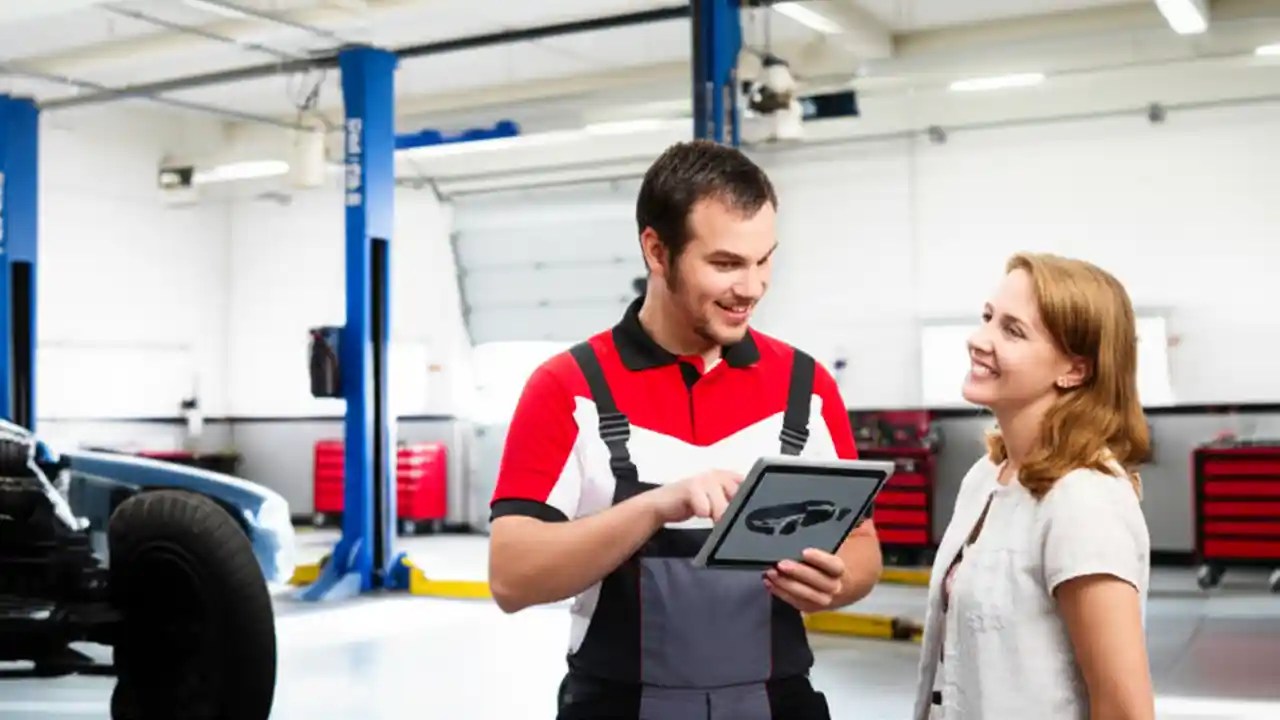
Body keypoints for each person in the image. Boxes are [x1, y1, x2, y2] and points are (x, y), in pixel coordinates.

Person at [487, 139, 883, 720]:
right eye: (725, 264)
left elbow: (863, 547)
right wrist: (654, 507)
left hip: (776, 706)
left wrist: (837, 582)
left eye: (764, 260)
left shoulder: (807, 388)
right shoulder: (568, 388)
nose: (752, 287)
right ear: (656, 250)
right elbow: (512, 577)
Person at [912, 252, 1155, 720]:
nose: (978, 340)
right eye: (988, 317)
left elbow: (1124, 708)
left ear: (1075, 370)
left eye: (1013, 331)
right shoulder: (987, 475)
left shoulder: (1082, 500)